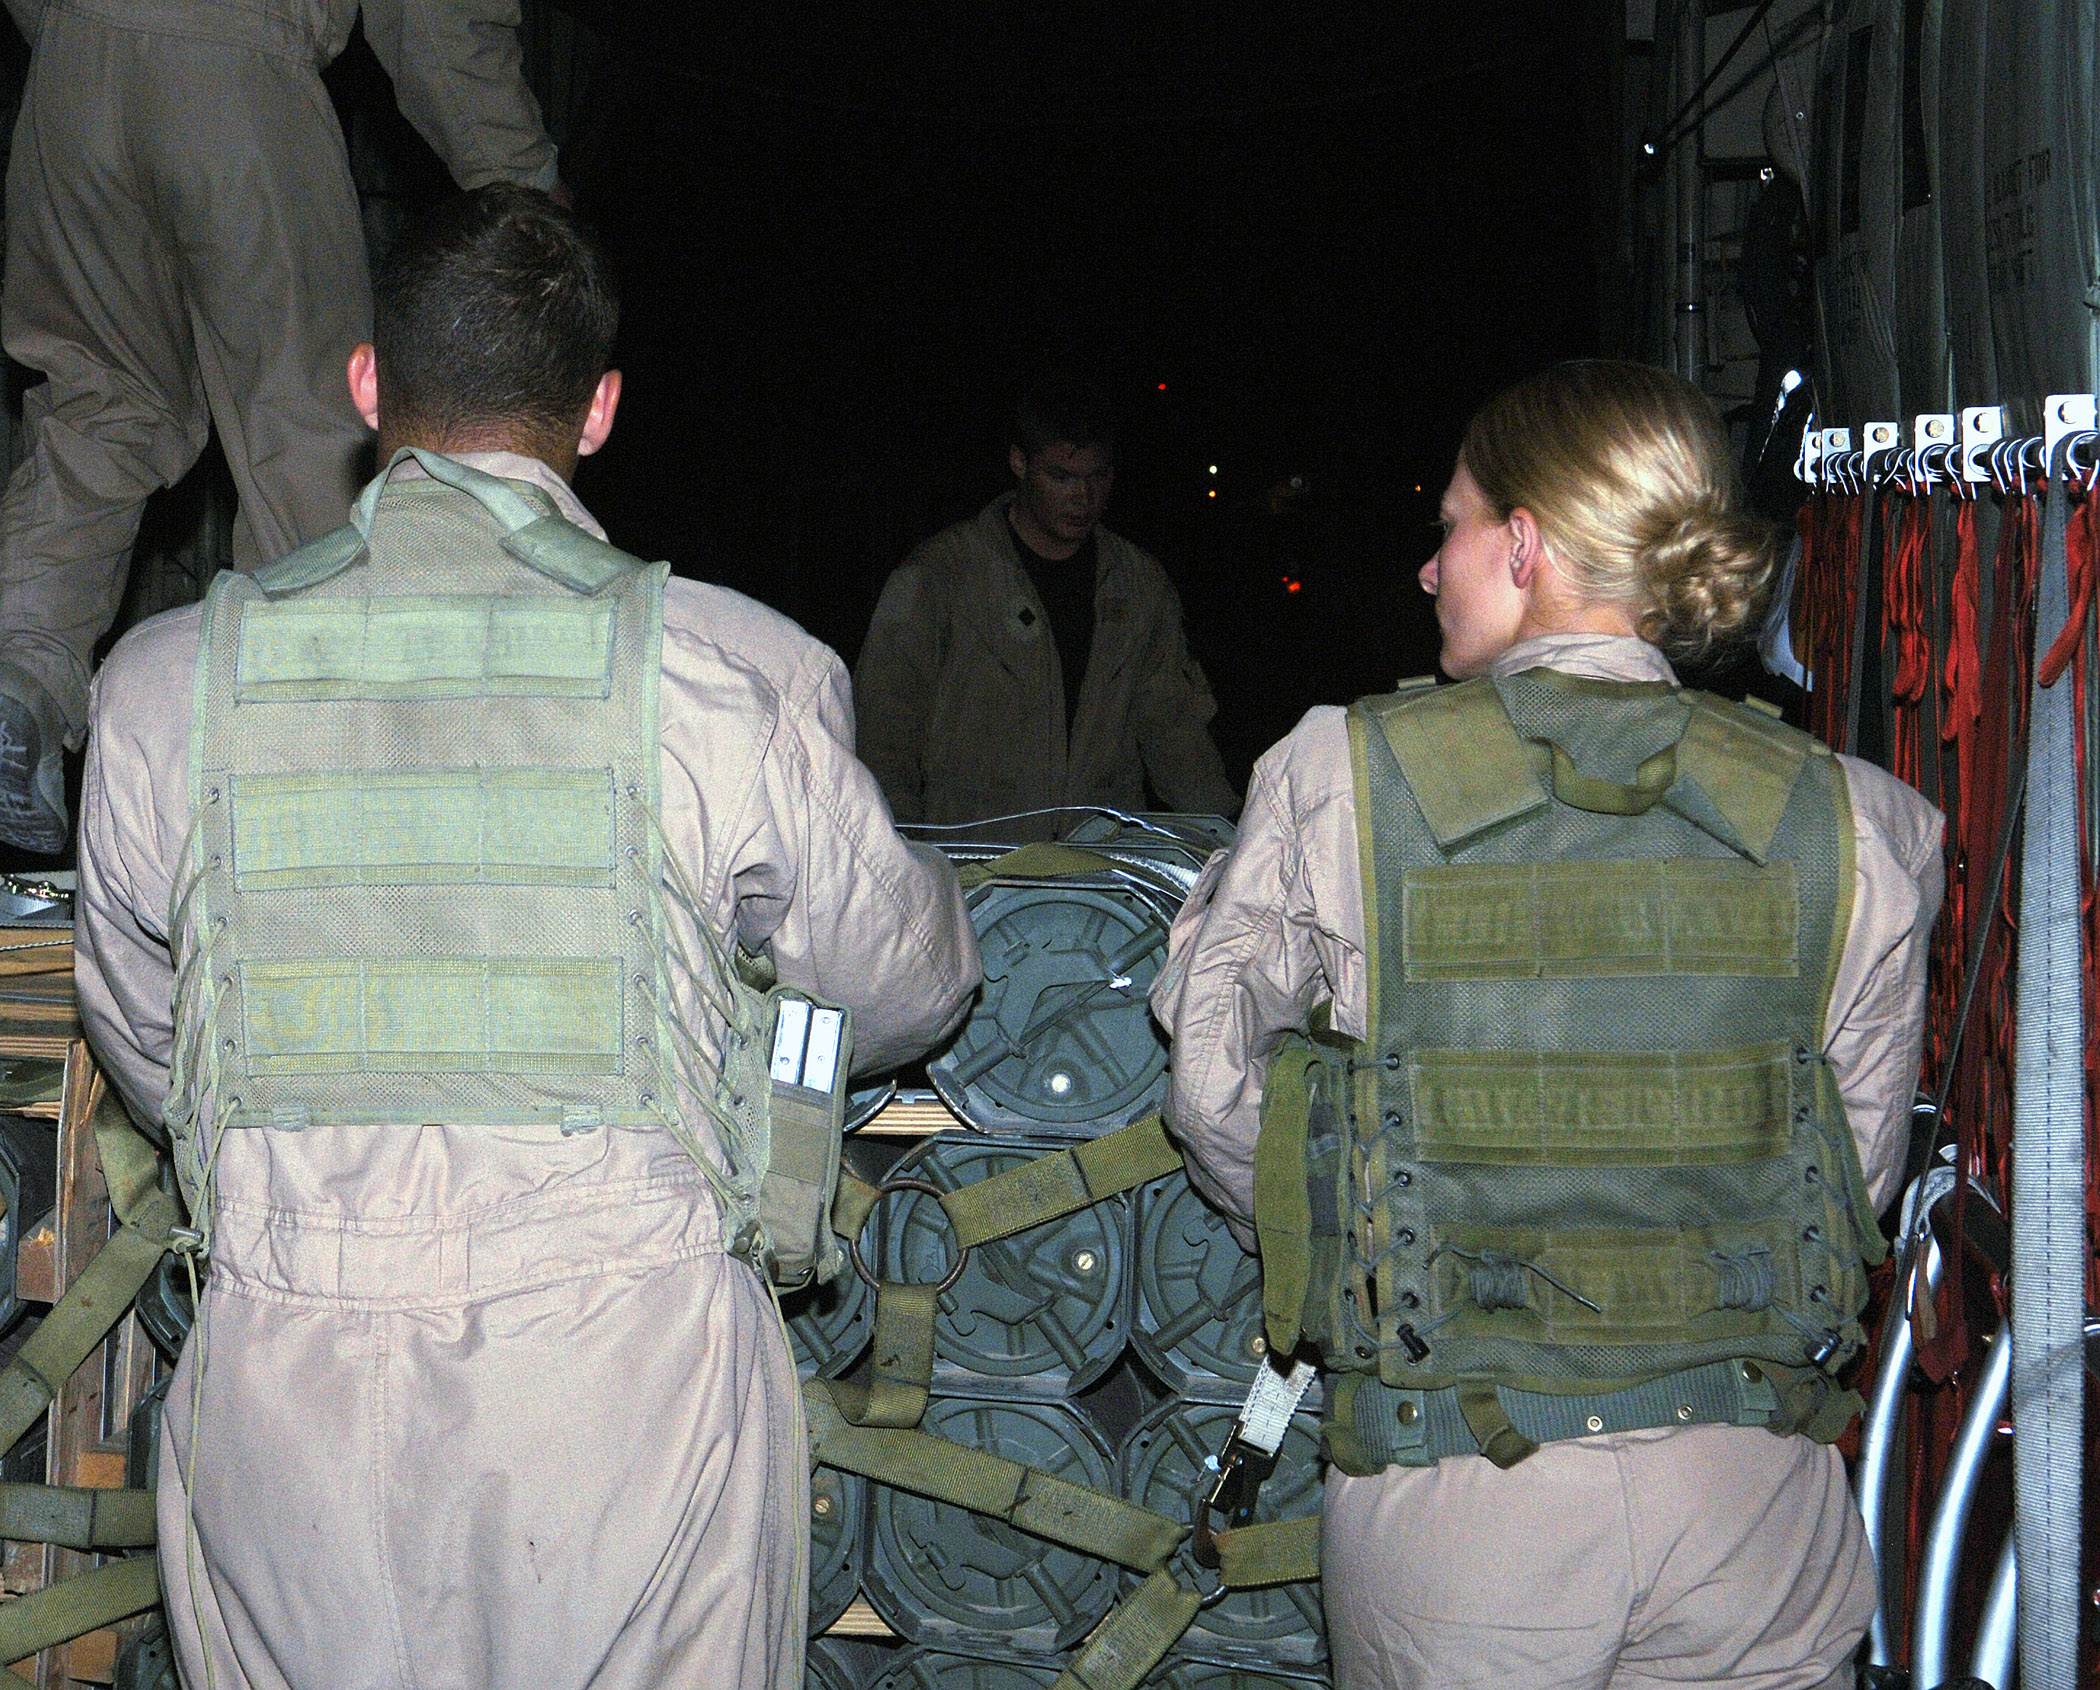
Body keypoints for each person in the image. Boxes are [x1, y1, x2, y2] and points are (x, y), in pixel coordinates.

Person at [75, 185, 981, 1690]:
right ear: (603, 410)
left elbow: (156, 1039)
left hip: (289, 1388)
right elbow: (903, 980)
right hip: (631, 1379)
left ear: (369, 387)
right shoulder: (732, 670)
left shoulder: (168, 686)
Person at [1154, 359, 1942, 1690]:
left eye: (1450, 523)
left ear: (1523, 545)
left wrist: (1370, 1257)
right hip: (1751, 1498)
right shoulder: (1856, 815)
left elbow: (1219, 1097)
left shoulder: (1336, 778)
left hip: (1464, 1495)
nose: (1427, 567)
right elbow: (1854, 1172)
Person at [0, 0, 568, 853]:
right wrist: (521, 176)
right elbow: (434, 19)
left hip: (73, 69)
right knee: (309, 427)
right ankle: (308, 771)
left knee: (99, 407)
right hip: (238, 69)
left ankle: (18, 679)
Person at [854, 382, 1238, 826]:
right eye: (1062, 477)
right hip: (977, 864)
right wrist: (902, 855)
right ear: (1020, 463)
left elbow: (1175, 730)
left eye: (1098, 477)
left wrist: (1228, 835)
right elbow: (883, 734)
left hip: (1097, 866)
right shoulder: (940, 577)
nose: (1083, 497)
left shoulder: (1138, 585)